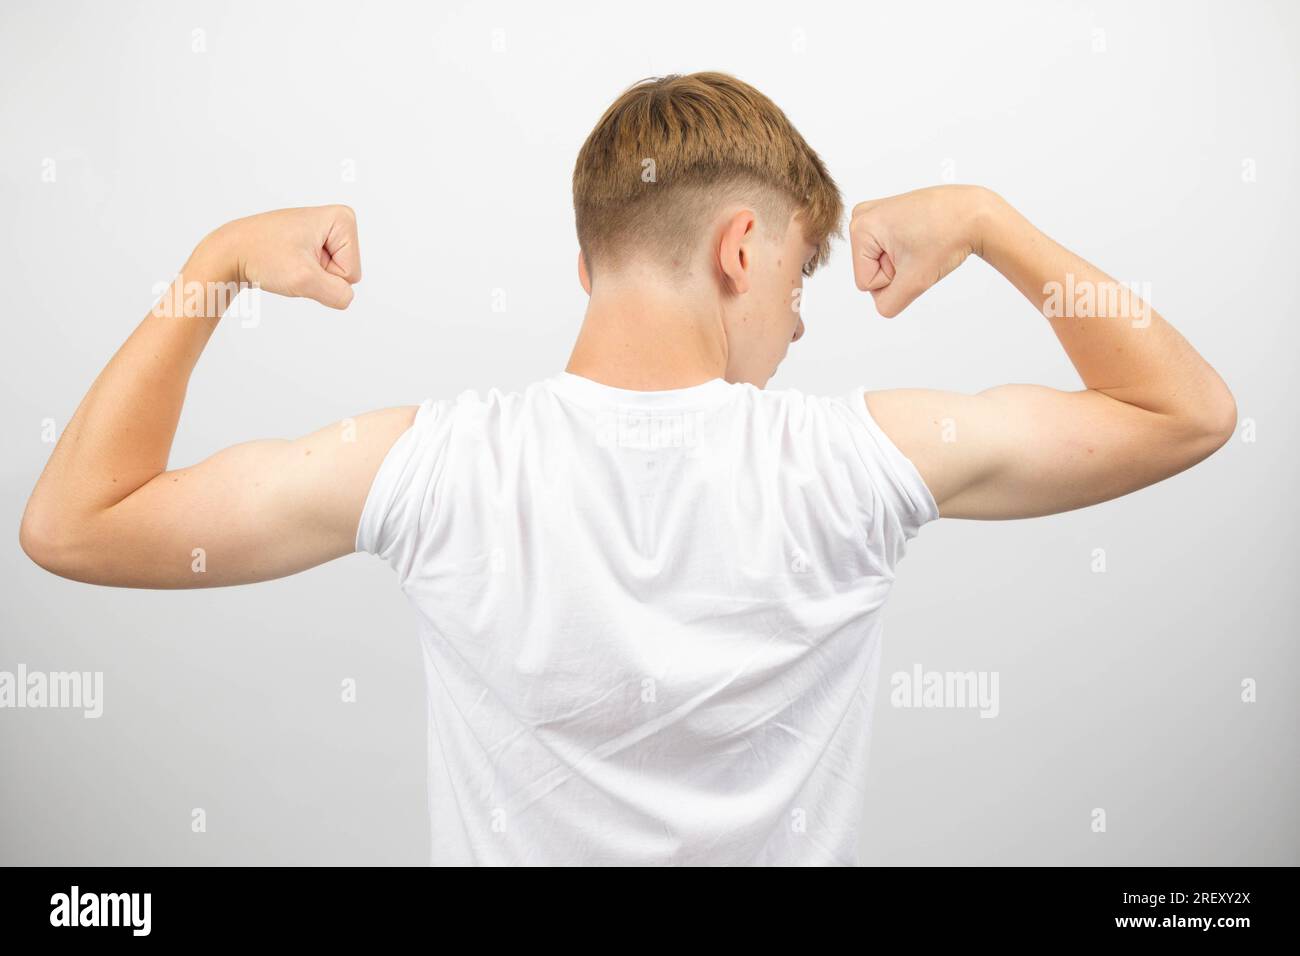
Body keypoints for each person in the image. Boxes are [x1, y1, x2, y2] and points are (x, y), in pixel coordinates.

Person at [19, 72, 1236, 865]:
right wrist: (982, 220)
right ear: (740, 249)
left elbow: (76, 522)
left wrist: (219, 260)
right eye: (802, 279)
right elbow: (1184, 411)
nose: (801, 325)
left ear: (588, 257)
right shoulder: (853, 462)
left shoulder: (433, 466)